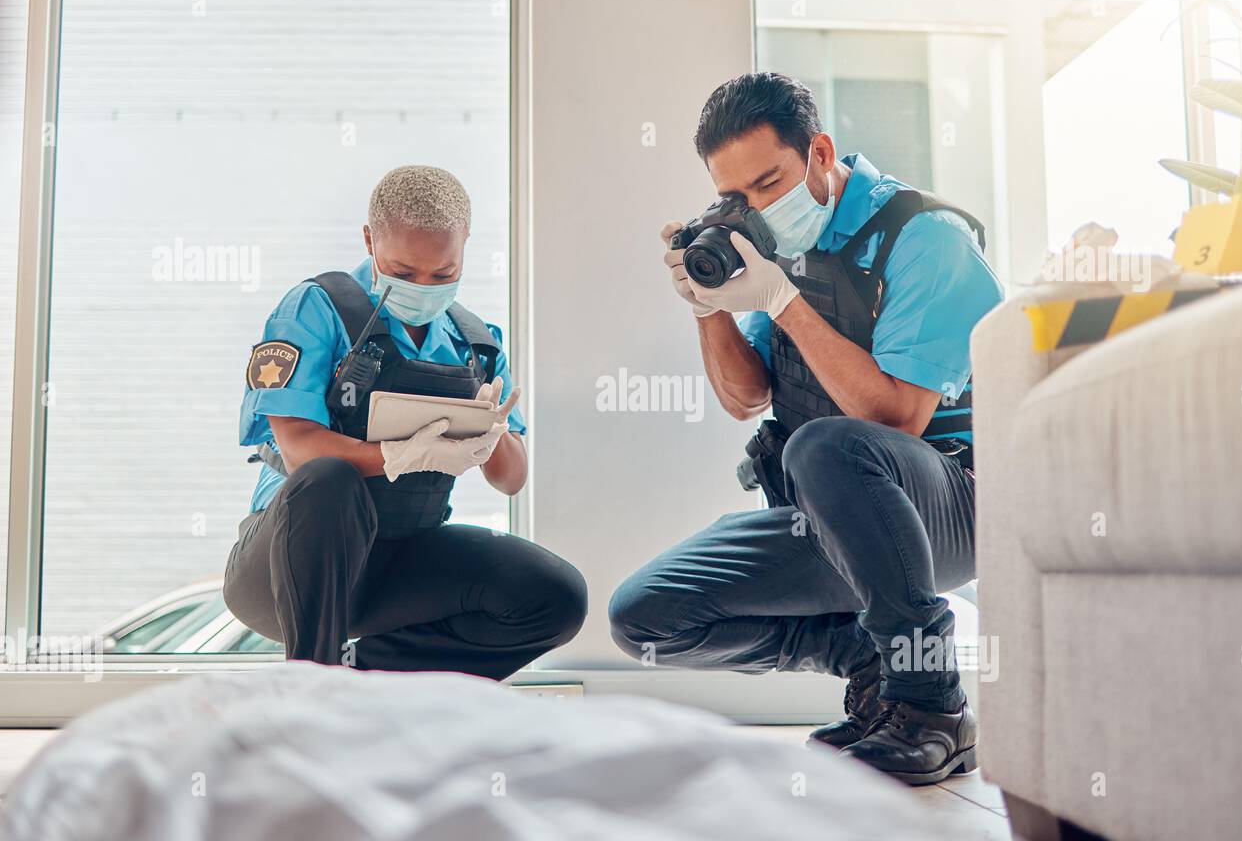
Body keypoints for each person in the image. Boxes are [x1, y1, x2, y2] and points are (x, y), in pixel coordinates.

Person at [609, 73, 1004, 785]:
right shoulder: (779, 245)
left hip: (954, 504)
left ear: (820, 153)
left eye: (769, 184)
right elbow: (746, 396)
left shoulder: (925, 238)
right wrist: (709, 306)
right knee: (647, 616)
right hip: (832, 514)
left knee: (824, 444)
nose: (756, 210)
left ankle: (933, 704)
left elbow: (895, 418)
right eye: (739, 196)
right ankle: (873, 667)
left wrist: (784, 299)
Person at [224, 165, 586, 678]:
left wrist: (491, 432)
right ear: (370, 241)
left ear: (464, 246)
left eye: (443, 275)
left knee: (554, 595)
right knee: (329, 480)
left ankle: (366, 681)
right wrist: (401, 456)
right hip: (291, 562)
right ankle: (308, 687)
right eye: (403, 271)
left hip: (398, 558)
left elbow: (511, 479)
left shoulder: (474, 343)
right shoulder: (317, 308)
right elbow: (300, 447)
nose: (423, 288)